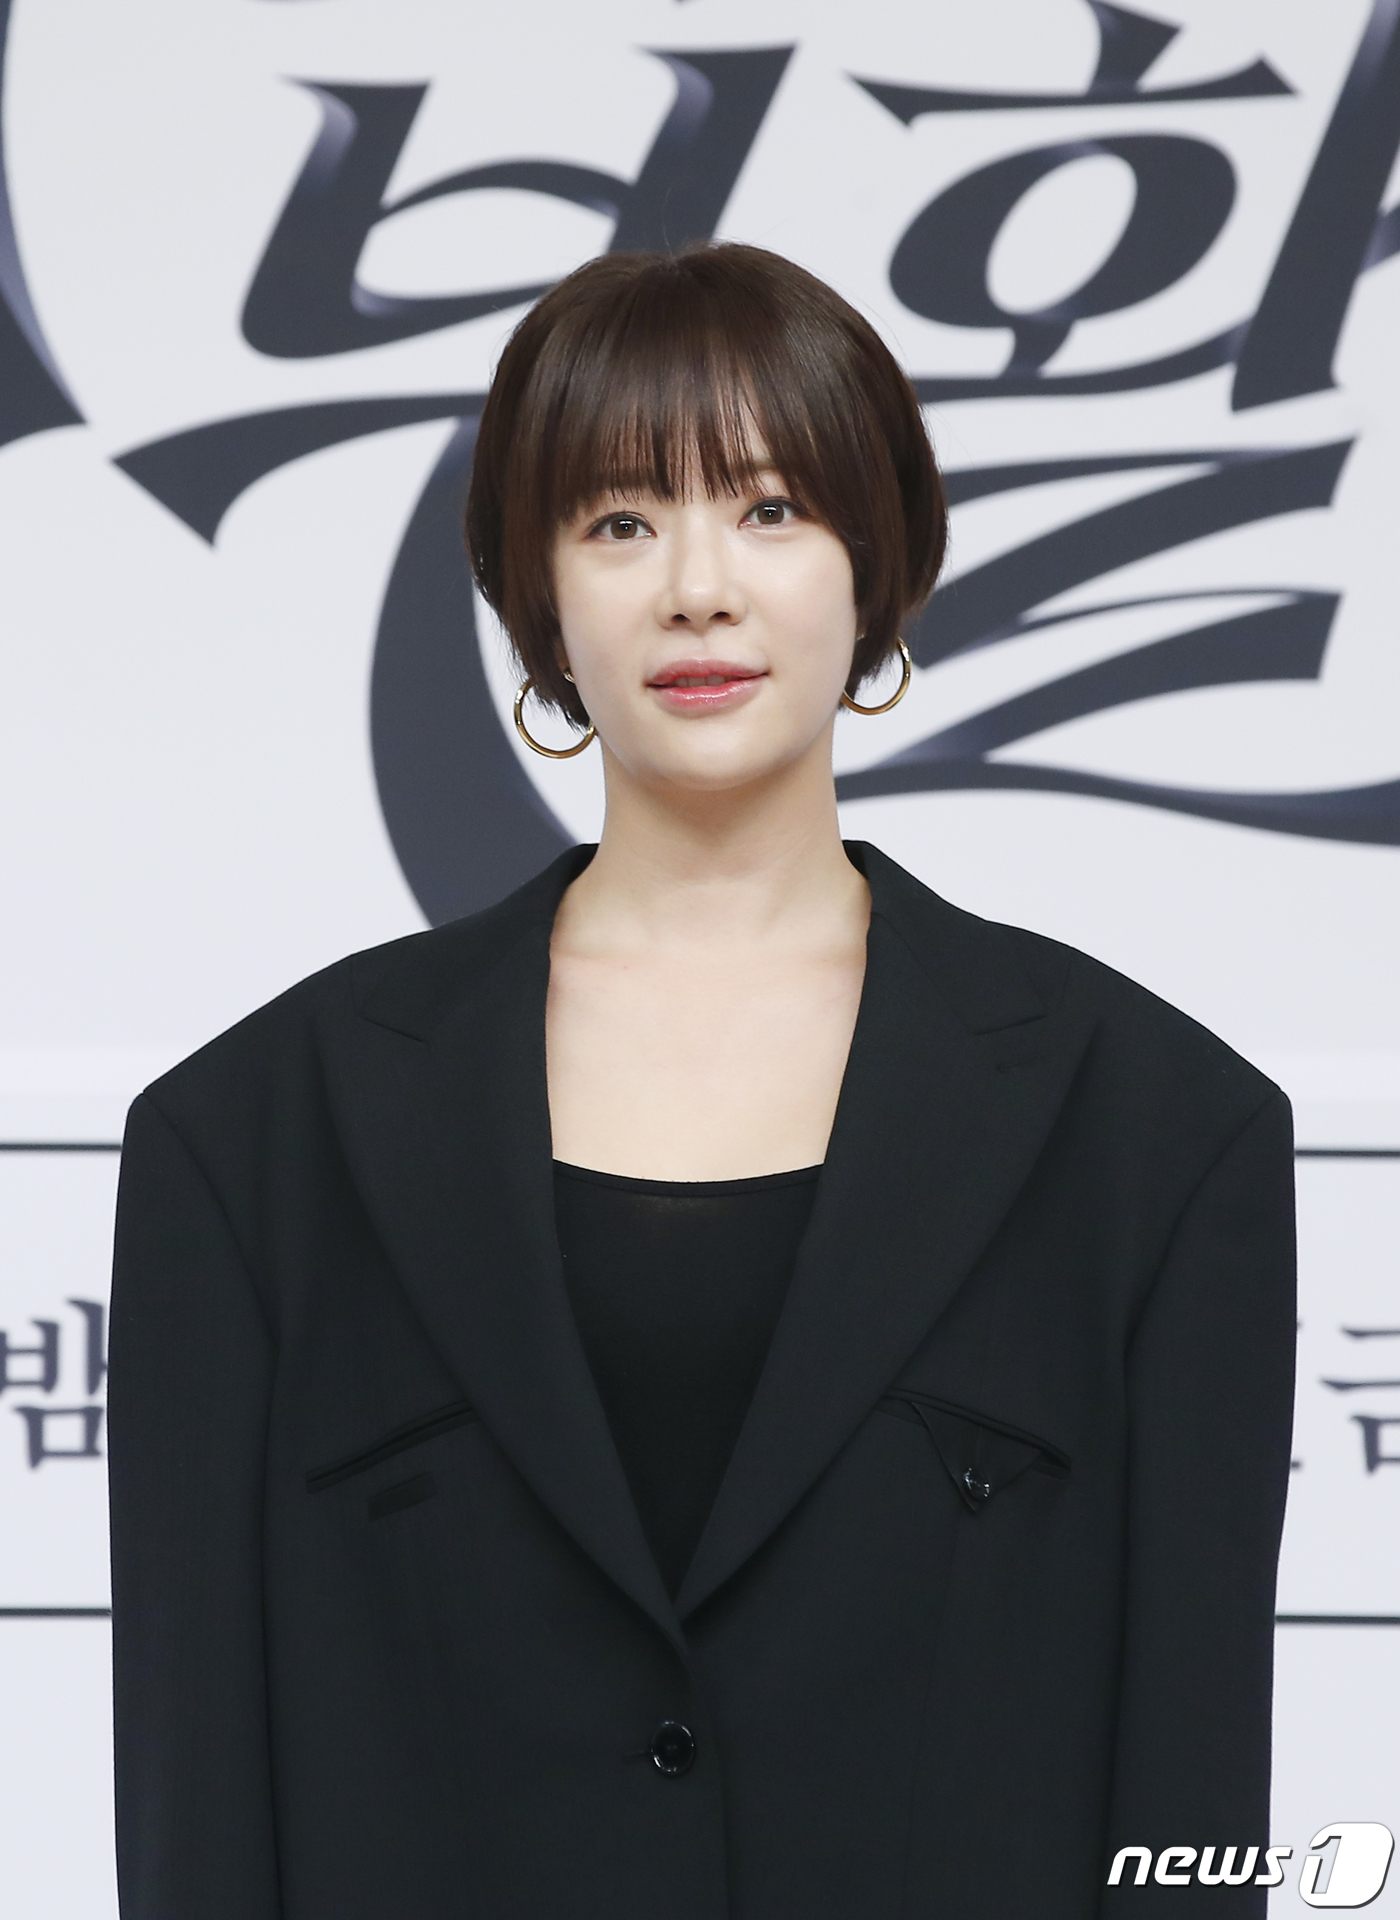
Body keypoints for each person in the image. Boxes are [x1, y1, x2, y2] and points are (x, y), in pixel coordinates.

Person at [107, 243, 1296, 1919]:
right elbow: (196, 1802)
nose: (697, 587)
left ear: (876, 562)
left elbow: (1194, 1811)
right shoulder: (253, 1143)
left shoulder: (1158, 1135)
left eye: (771, 508)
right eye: (617, 520)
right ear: (535, 589)